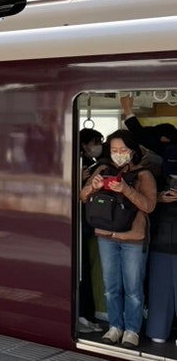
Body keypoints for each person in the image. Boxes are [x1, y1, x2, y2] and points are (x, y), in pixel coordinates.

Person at [80, 129, 157, 348]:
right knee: (110, 286)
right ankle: (115, 327)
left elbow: (149, 206)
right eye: (114, 150)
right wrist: (92, 188)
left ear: (133, 151)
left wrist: (126, 190)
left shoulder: (144, 175)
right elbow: (82, 196)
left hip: (133, 239)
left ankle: (132, 330)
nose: (118, 154)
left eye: (122, 150)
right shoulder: (103, 170)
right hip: (105, 236)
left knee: (133, 288)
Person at [77, 127, 105, 334]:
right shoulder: (82, 166)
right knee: (83, 270)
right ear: (85, 144)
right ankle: (81, 313)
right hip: (82, 225)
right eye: (96, 142)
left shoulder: (92, 165)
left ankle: (85, 313)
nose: (99, 147)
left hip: (86, 225)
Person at [144, 176, 177, 345]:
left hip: (162, 244)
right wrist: (155, 198)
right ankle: (158, 330)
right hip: (159, 244)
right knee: (160, 292)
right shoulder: (154, 180)